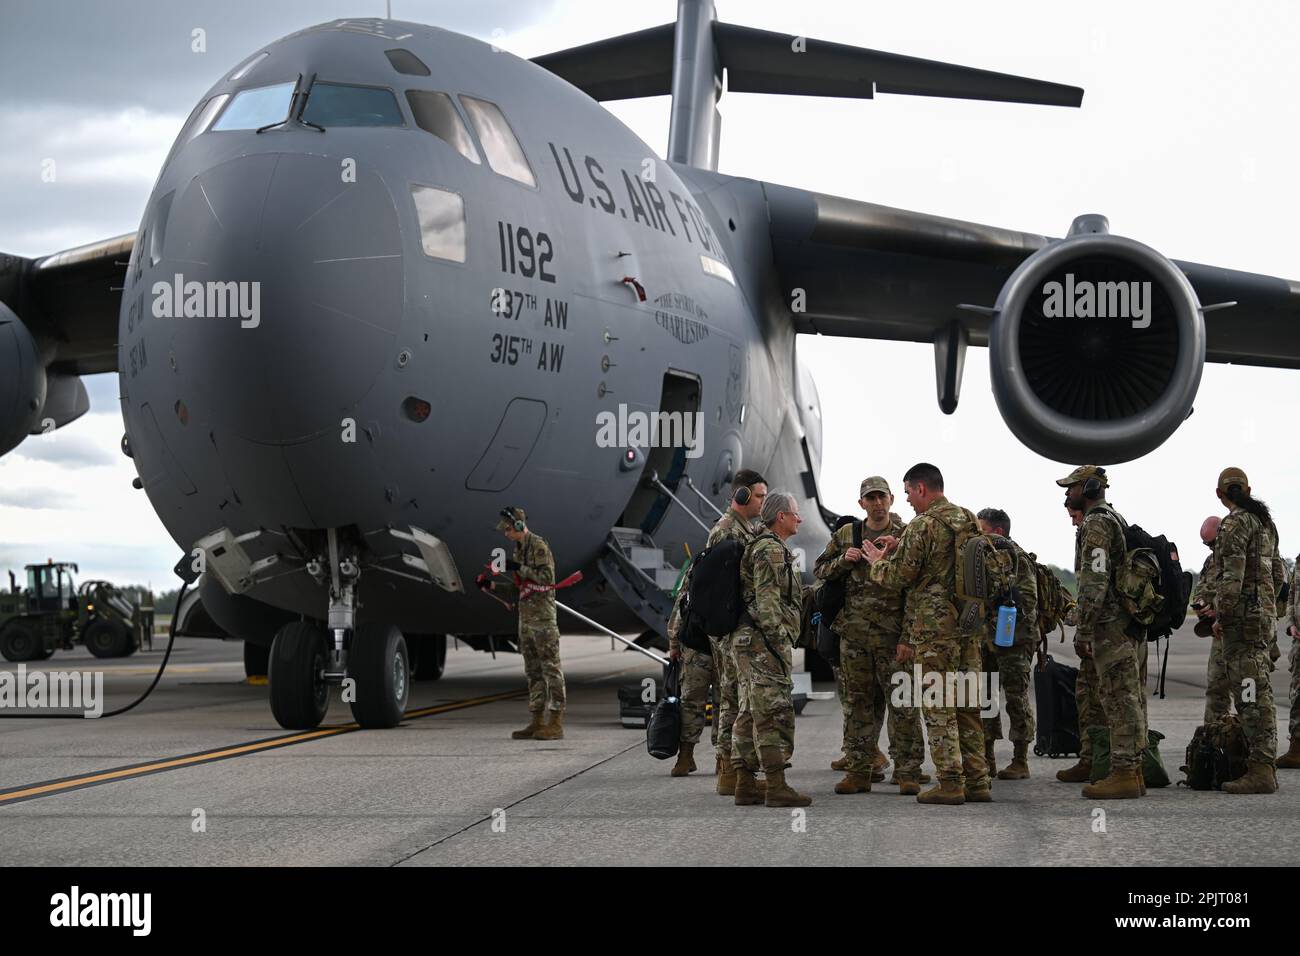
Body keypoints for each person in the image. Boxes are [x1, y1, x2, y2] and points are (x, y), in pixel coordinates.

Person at [861, 463, 991, 805]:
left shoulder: (922, 525)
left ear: (921, 489)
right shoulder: (967, 518)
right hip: (968, 624)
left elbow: (898, 577)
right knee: (967, 704)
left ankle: (950, 782)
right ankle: (978, 780)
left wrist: (877, 561)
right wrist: (902, 539)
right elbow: (947, 555)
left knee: (937, 705)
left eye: (907, 493)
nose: (907, 501)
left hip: (935, 630)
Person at [815, 477, 926, 795]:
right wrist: (842, 561)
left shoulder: (907, 534)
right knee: (857, 705)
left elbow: (917, 584)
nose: (877, 503)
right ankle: (859, 771)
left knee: (902, 705)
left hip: (894, 638)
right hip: (855, 637)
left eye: (881, 497)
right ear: (861, 503)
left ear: (891, 499)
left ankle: (908, 770)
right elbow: (819, 569)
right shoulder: (847, 535)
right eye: (870, 498)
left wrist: (910, 637)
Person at [665, 469, 767, 790]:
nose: (763, 502)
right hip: (714, 631)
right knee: (712, 697)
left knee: (727, 698)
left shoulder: (743, 530)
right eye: (760, 496)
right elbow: (711, 590)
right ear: (742, 497)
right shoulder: (728, 533)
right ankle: (713, 763)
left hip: (717, 629)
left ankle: (725, 765)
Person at [1058, 465, 1146, 799]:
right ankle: (1127, 771)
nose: (1067, 494)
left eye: (1072, 488)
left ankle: (1124, 773)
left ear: (1092, 487)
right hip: (1119, 624)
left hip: (1109, 627)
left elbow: (1095, 582)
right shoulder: (1114, 519)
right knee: (1120, 696)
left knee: (1119, 699)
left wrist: (1084, 630)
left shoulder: (1097, 523)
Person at [730, 491, 811, 808]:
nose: (799, 518)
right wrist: (779, 643)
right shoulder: (769, 550)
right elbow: (767, 606)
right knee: (773, 714)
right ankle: (776, 784)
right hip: (764, 644)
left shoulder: (766, 546)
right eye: (795, 513)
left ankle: (745, 783)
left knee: (750, 712)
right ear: (781, 517)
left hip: (753, 642)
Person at [1211, 467, 1282, 794]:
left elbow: (1232, 579)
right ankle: (1262, 762)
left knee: (1250, 692)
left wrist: (1220, 614)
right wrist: (1268, 607)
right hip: (1262, 617)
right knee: (1258, 689)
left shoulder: (1236, 523)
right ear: (1248, 489)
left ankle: (1260, 769)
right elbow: (1278, 574)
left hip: (1243, 622)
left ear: (1219, 494)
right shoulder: (1265, 523)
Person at [491, 507, 567, 740]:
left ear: (518, 526)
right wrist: (491, 586)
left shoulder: (538, 546)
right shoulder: (520, 549)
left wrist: (518, 568)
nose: (505, 534)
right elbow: (519, 588)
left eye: (507, 529)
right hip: (526, 619)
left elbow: (547, 578)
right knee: (533, 671)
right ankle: (536, 719)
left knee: (551, 669)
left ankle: (555, 722)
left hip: (542, 619)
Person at [975, 508, 1039, 780]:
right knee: (986, 697)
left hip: (1015, 640)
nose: (977, 534)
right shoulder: (984, 557)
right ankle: (986, 757)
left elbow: (1028, 600)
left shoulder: (1017, 558)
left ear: (997, 531)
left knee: (1016, 697)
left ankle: (1020, 759)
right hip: (987, 639)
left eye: (981, 528)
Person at [1190, 515, 1232, 723]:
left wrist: (1220, 611)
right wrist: (1203, 606)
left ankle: (1249, 744)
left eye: (1212, 543)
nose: (1210, 548)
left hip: (1240, 632)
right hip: (1218, 634)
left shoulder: (1239, 558)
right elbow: (1201, 589)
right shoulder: (1212, 560)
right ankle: (1214, 737)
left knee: (1248, 692)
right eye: (1206, 545)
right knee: (1216, 688)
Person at [1281, 556, 1300, 769]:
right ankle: (1296, 749)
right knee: (1297, 693)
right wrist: (1291, 623)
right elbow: (1292, 595)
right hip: (1298, 639)